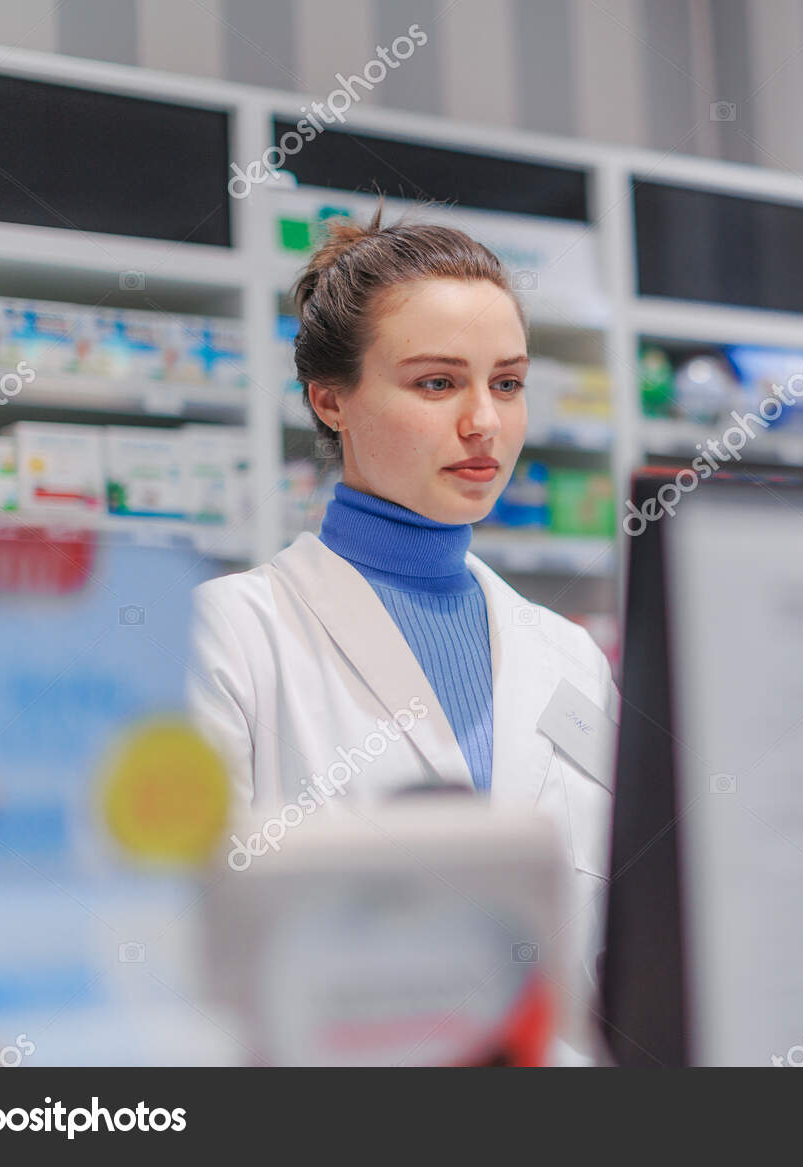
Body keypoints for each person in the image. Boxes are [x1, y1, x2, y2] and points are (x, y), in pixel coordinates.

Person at [186, 209, 619, 1058]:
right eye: (436, 383)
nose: (483, 423)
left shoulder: (567, 657)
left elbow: (609, 958)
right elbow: (200, 958)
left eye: (507, 382)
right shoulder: (233, 634)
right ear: (330, 399)